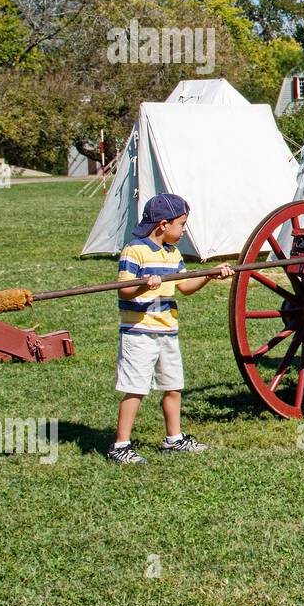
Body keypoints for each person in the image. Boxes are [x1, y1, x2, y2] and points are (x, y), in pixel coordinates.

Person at [108, 194, 232, 464]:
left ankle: (173, 439)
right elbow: (125, 290)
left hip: (167, 330)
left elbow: (185, 287)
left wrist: (208, 275)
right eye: (182, 224)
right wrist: (144, 284)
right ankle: (120, 445)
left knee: (173, 386)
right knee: (136, 388)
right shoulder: (134, 250)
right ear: (164, 224)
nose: (184, 229)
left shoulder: (172, 253)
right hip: (138, 331)